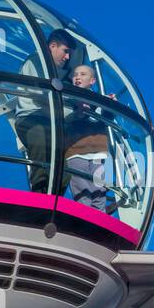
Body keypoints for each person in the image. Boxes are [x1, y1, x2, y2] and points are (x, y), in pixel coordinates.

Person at [12, 28, 76, 192]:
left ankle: (56, 201)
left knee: (64, 172)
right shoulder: (34, 61)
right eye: (65, 51)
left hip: (48, 122)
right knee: (41, 163)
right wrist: (69, 106)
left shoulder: (54, 72)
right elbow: (40, 93)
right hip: (31, 119)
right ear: (52, 46)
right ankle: (39, 198)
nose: (67, 57)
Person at [63, 64, 116, 214]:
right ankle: (84, 218)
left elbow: (108, 118)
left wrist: (111, 104)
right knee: (82, 191)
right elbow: (64, 116)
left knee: (99, 191)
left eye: (83, 74)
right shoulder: (69, 98)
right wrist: (78, 111)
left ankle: (99, 219)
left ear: (92, 81)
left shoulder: (99, 100)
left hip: (99, 154)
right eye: (75, 74)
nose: (78, 77)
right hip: (76, 153)